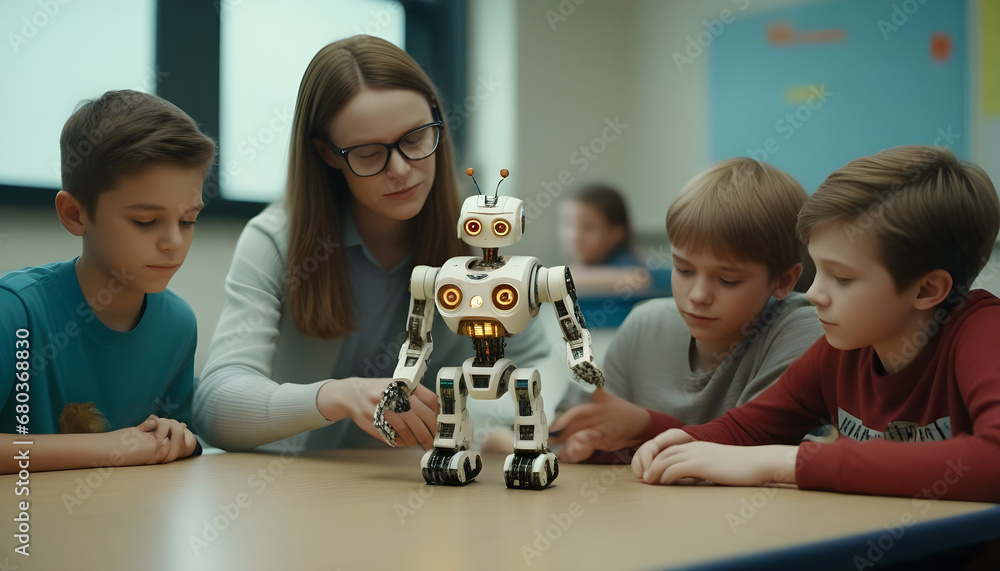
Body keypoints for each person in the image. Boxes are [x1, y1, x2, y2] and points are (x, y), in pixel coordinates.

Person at [194, 35, 554, 453]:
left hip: (419, 495)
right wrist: (341, 395)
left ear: (438, 121)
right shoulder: (275, 241)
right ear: (327, 153)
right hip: (289, 496)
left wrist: (492, 427)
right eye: (368, 153)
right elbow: (215, 407)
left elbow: (537, 369)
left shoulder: (480, 237)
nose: (401, 170)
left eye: (416, 138)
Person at [632, 146, 1000, 503]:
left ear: (927, 288)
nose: (814, 294)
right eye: (817, 268)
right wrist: (683, 440)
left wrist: (786, 464)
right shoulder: (845, 347)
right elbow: (749, 428)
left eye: (841, 277)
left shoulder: (984, 334)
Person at [552, 158, 823, 463]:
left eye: (727, 279)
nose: (698, 296)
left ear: (784, 280)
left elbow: (754, 447)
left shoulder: (802, 331)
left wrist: (644, 428)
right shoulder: (645, 323)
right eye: (683, 269)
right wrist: (592, 445)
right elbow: (565, 431)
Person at [0, 90, 213, 473]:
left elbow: (181, 443)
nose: (174, 243)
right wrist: (109, 448)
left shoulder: (179, 324)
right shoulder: (14, 312)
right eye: (145, 222)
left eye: (187, 221)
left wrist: (176, 437)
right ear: (75, 214)